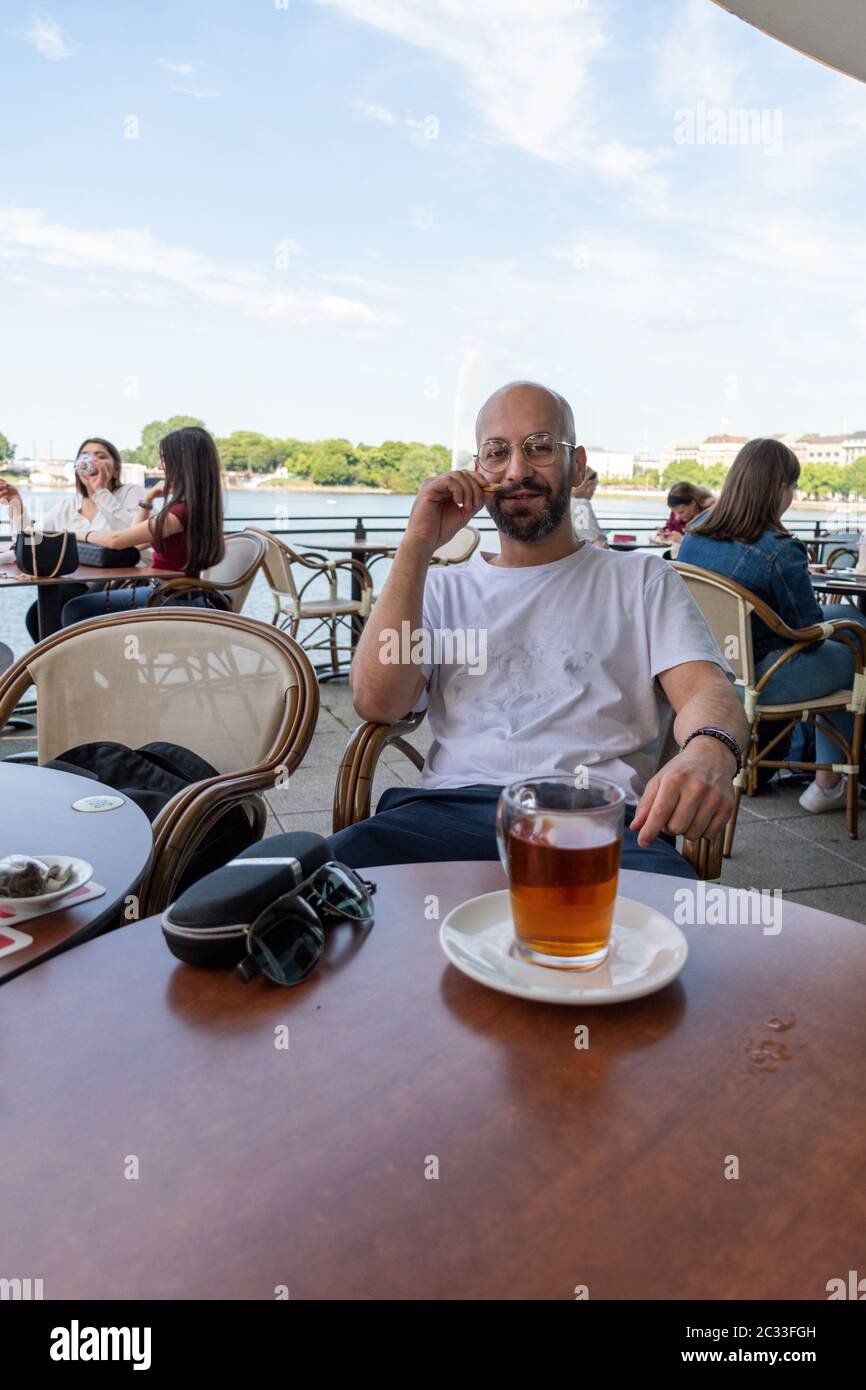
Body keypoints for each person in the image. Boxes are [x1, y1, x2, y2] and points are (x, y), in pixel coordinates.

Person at [327, 381, 747, 875]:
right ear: (478, 470)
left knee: (679, 934)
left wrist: (710, 748)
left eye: (540, 447)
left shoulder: (641, 579)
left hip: (596, 824)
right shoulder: (439, 590)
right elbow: (378, 703)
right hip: (446, 815)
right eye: (497, 452)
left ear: (579, 465)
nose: (518, 470)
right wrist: (417, 545)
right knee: (299, 895)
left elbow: (706, 689)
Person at [678, 438, 866, 814]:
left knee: (850, 624)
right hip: (764, 679)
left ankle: (826, 782)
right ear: (778, 488)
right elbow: (808, 632)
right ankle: (829, 780)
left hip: (713, 670)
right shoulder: (781, 548)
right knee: (855, 642)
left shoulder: (696, 530)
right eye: (792, 486)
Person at [60, 425, 225, 626]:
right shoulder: (192, 508)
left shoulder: (179, 514)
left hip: (170, 599)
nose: (159, 465)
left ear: (182, 462)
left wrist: (75, 534)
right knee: (79, 601)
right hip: (176, 594)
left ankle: (90, 657)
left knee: (75, 609)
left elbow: (117, 540)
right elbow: (135, 543)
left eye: (164, 458)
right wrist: (147, 500)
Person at [0, 437, 145, 641]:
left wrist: (101, 492)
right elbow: (34, 541)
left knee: (68, 612)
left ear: (116, 468)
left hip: (125, 583)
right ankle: (59, 671)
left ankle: (74, 668)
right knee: (37, 616)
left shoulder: (131, 493)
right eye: (85, 456)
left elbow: (135, 536)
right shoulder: (68, 506)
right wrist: (16, 503)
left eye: (100, 456)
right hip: (80, 581)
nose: (91, 461)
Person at [652, 482, 715, 555]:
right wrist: (669, 533)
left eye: (681, 512)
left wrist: (683, 540)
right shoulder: (679, 509)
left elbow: (710, 547)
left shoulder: (710, 515)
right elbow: (671, 525)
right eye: (673, 512)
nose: (677, 518)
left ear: (693, 503)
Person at [571, 468, 606, 547]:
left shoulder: (567, 502)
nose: (595, 490)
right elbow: (596, 542)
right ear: (589, 484)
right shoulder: (580, 505)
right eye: (595, 485)